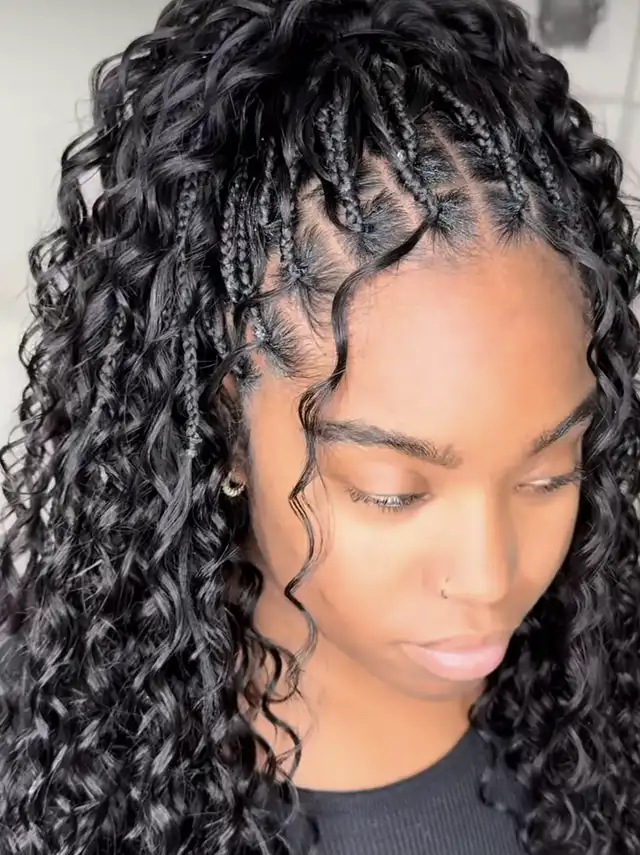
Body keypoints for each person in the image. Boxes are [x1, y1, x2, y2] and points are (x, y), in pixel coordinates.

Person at [1, 0, 639, 853]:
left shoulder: (613, 716)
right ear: (223, 420)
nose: (489, 577)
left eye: (550, 472)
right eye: (392, 492)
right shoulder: (48, 771)